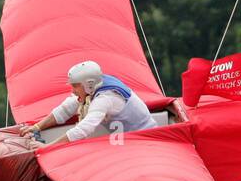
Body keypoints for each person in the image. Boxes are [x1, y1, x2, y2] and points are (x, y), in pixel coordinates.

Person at [18, 61, 154, 147]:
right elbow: (66, 109)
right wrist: (36, 127)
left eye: (75, 86)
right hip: (128, 139)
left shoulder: (105, 98)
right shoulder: (94, 87)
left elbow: (85, 128)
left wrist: (47, 147)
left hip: (145, 140)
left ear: (88, 84)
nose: (72, 90)